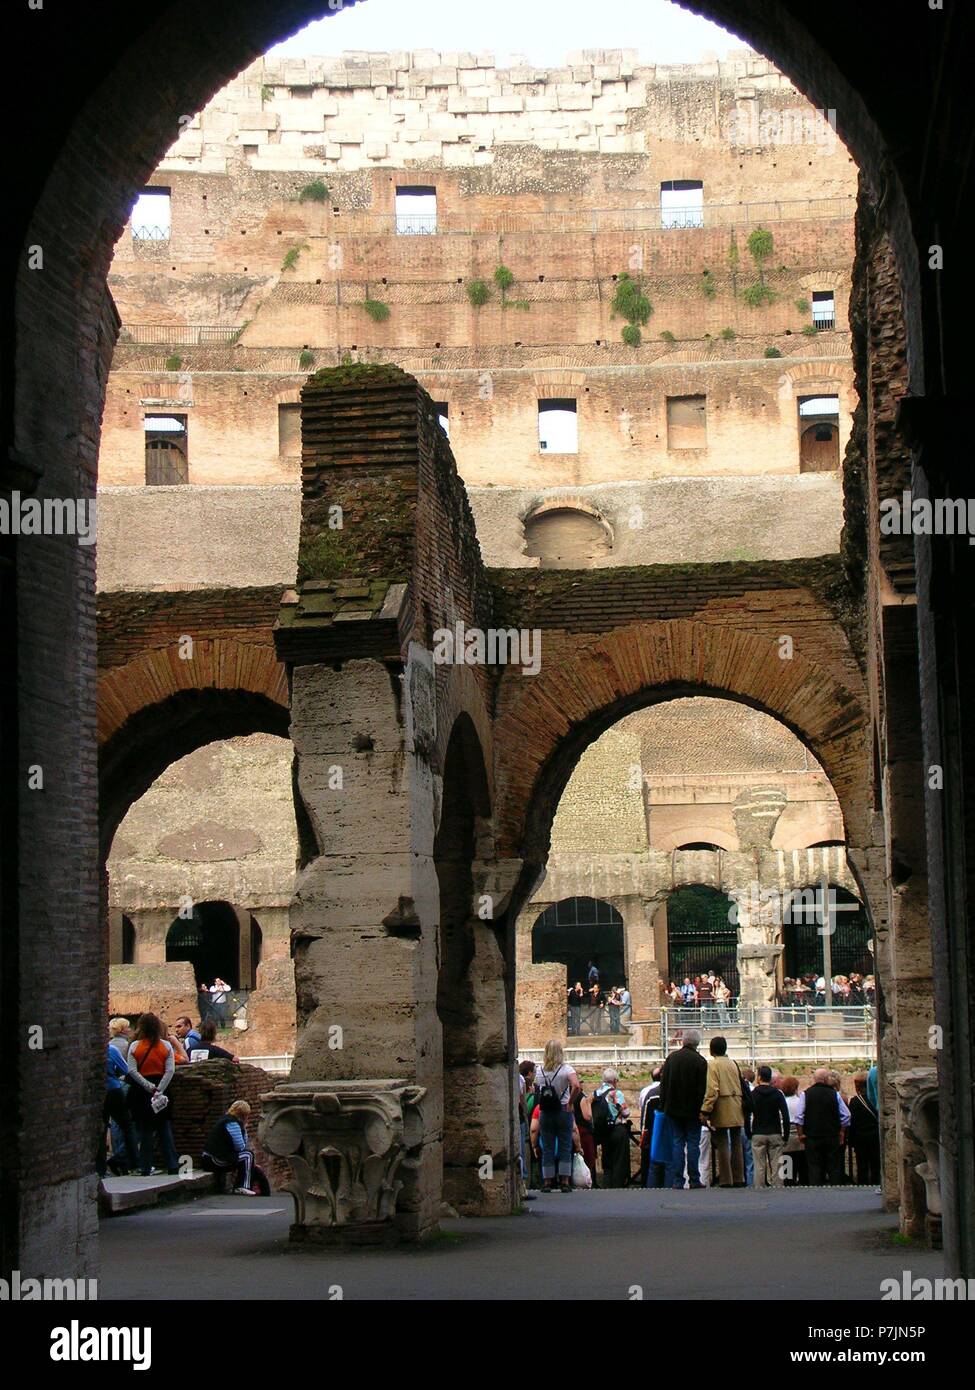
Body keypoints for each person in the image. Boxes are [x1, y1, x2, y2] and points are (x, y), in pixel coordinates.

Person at [125, 1012, 180, 1176]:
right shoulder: (166, 1046)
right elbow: (170, 1070)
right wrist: (159, 1089)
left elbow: (132, 1071)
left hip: (141, 1092)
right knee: (164, 1128)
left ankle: (145, 1167)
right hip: (161, 1089)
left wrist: (148, 1087)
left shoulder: (135, 1046)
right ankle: (172, 1165)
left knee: (145, 1130)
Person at [659, 1028, 708, 1189]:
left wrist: (663, 1106)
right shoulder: (700, 1061)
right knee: (693, 1143)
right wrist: (703, 1110)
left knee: (677, 1142)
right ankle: (694, 1179)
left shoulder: (671, 1059)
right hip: (692, 1110)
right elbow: (702, 1089)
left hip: (673, 1108)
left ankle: (677, 1180)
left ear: (683, 1041)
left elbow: (664, 1085)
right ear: (697, 1043)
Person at [700, 1035, 747, 1188]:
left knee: (722, 1142)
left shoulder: (713, 1065)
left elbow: (712, 1090)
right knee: (736, 1142)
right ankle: (739, 1176)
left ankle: (726, 1178)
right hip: (736, 1102)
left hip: (722, 1104)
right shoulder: (733, 1064)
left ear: (712, 1049)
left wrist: (706, 1109)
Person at [535, 1040, 578, 1193]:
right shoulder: (566, 1069)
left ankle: (547, 1181)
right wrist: (571, 1102)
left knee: (547, 1146)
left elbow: (538, 1088)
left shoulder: (539, 1070)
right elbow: (576, 1085)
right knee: (565, 1145)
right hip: (563, 1109)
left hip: (546, 1111)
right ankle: (564, 1181)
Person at [795, 1067, 850, 1185]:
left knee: (814, 1167)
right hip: (831, 1136)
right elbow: (846, 1115)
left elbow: (799, 1116)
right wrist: (841, 1131)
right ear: (826, 1079)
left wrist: (800, 1134)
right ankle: (836, 1191)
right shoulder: (834, 1094)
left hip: (812, 1137)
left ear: (814, 1079)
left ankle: (816, 1193)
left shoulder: (806, 1094)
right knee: (834, 1167)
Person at [98, 1029, 139, 1177]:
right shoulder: (111, 1050)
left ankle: (100, 1168)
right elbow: (126, 1070)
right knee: (127, 1126)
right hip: (114, 1091)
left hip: (97, 1093)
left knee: (100, 1130)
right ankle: (133, 1161)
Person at [200, 1100, 263, 1195]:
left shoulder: (226, 1119)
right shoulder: (232, 1123)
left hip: (211, 1158)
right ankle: (242, 1186)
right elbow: (240, 1147)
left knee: (246, 1155)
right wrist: (244, 1128)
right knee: (248, 1155)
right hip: (214, 1160)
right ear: (243, 1114)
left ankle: (240, 1185)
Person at [749, 1065, 791, 1187]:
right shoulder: (778, 1094)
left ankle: (759, 1188)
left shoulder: (753, 1094)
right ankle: (778, 1188)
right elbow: (785, 1116)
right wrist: (786, 1135)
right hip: (775, 1132)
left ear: (759, 1077)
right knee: (777, 1164)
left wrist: (749, 1132)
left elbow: (747, 1114)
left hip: (758, 1132)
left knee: (759, 1165)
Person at [592, 1067, 630, 1188]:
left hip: (603, 1130)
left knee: (607, 1158)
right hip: (617, 1129)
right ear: (614, 1080)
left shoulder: (596, 1093)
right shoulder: (616, 1093)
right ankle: (617, 1185)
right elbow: (626, 1113)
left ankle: (606, 1184)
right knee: (619, 1159)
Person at [848, 1072, 881, 1184]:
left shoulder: (854, 1101)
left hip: (860, 1137)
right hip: (875, 1136)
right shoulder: (876, 1100)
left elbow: (852, 1122)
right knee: (876, 1164)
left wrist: (850, 1140)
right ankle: (876, 1183)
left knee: (862, 1164)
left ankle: (863, 1184)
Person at [639, 1066, 666, 1188]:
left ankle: (650, 1187)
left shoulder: (650, 1093)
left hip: (654, 1131)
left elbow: (645, 1115)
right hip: (671, 1131)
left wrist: (644, 1134)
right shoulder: (677, 1091)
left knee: (653, 1161)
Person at [571, 1083, 598, 1188]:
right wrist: (589, 1103)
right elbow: (587, 1116)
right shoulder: (581, 1097)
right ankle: (586, 1181)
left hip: (573, 1129)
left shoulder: (568, 1096)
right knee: (587, 1157)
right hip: (583, 1131)